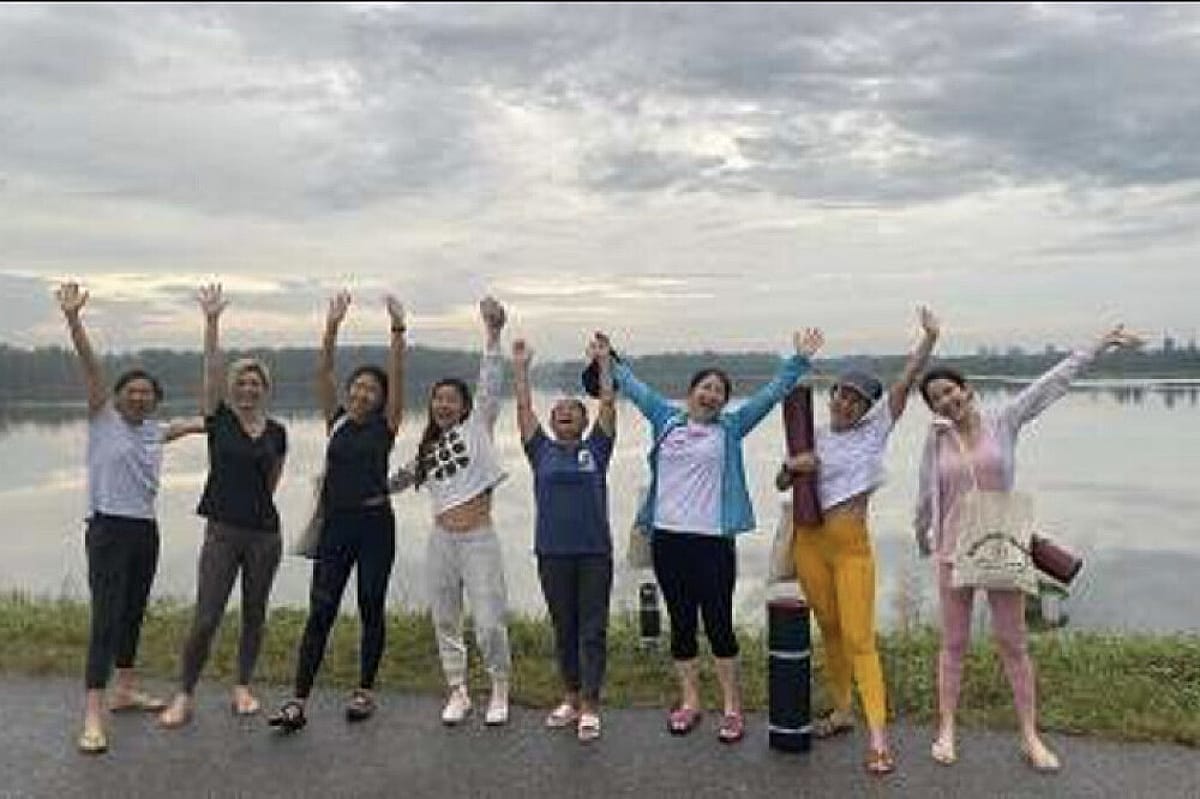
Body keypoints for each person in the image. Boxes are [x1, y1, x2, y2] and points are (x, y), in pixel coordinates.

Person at [914, 324, 1143, 772]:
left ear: (968, 390)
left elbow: (1051, 384)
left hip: (1003, 545)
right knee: (954, 643)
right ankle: (946, 729)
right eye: (936, 397)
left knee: (1013, 643)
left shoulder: (1005, 420)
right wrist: (922, 536)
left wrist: (1096, 346)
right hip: (952, 552)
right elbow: (925, 492)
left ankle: (1029, 736)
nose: (946, 400)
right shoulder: (936, 438)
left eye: (950, 391)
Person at [612, 326, 824, 744]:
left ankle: (732, 707)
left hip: (712, 543)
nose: (711, 395)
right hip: (668, 540)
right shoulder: (665, 420)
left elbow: (769, 396)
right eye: (705, 387)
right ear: (690, 393)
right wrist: (609, 360)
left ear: (725, 401)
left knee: (720, 625)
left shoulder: (730, 428)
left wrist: (797, 361)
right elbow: (633, 387)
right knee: (683, 625)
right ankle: (690, 702)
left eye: (719, 391)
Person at [776, 307, 939, 775]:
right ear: (831, 398)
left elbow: (906, 381)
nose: (845, 404)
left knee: (859, 638)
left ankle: (878, 736)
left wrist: (928, 340)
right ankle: (842, 711)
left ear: (867, 407)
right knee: (828, 626)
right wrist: (793, 467)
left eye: (855, 400)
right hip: (809, 543)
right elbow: (781, 484)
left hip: (851, 550)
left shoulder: (875, 431)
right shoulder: (813, 434)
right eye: (841, 396)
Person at [57, 282, 205, 755]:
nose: (140, 398)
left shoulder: (158, 432)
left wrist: (242, 414)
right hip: (107, 528)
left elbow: (210, 420)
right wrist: (74, 320)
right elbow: (91, 367)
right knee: (105, 617)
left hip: (145, 530)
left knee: (133, 612)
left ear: (155, 400)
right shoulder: (103, 420)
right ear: (117, 397)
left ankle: (124, 689)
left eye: (147, 393)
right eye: (132, 392)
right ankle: (93, 714)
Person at [268, 290, 406, 732]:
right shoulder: (337, 421)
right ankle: (297, 701)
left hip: (376, 525)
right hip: (336, 526)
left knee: (370, 605)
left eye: (372, 389)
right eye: (358, 387)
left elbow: (398, 375)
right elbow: (323, 370)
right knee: (321, 610)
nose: (364, 393)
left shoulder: (388, 426)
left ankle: (364, 692)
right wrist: (331, 327)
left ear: (382, 399)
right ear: (349, 393)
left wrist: (398, 330)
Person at [159, 284, 288, 728]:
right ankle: (184, 694)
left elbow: (272, 482)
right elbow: (211, 371)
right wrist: (211, 323)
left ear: (265, 389)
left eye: (255, 383)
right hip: (222, 532)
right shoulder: (219, 421)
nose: (248, 388)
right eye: (242, 383)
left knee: (255, 614)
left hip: (265, 535)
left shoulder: (278, 432)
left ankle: (242, 687)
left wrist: (255, 513)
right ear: (233, 389)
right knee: (207, 615)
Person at [390, 296, 513, 726]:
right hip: (441, 540)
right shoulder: (427, 450)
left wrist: (493, 335)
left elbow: (490, 382)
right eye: (437, 399)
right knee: (445, 618)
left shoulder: (477, 425)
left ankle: (500, 687)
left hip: (478, 538)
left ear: (463, 406)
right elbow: (394, 482)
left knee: (489, 622)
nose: (443, 405)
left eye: (450, 399)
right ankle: (458, 690)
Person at [511, 333, 616, 742]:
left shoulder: (599, 449)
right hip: (552, 553)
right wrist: (520, 368)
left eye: (574, 409)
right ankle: (571, 697)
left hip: (593, 553)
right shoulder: (540, 451)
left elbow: (608, 403)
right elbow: (523, 407)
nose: (566, 413)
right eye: (559, 411)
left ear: (584, 420)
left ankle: (591, 704)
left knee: (592, 628)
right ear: (552, 423)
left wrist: (604, 363)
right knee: (564, 627)